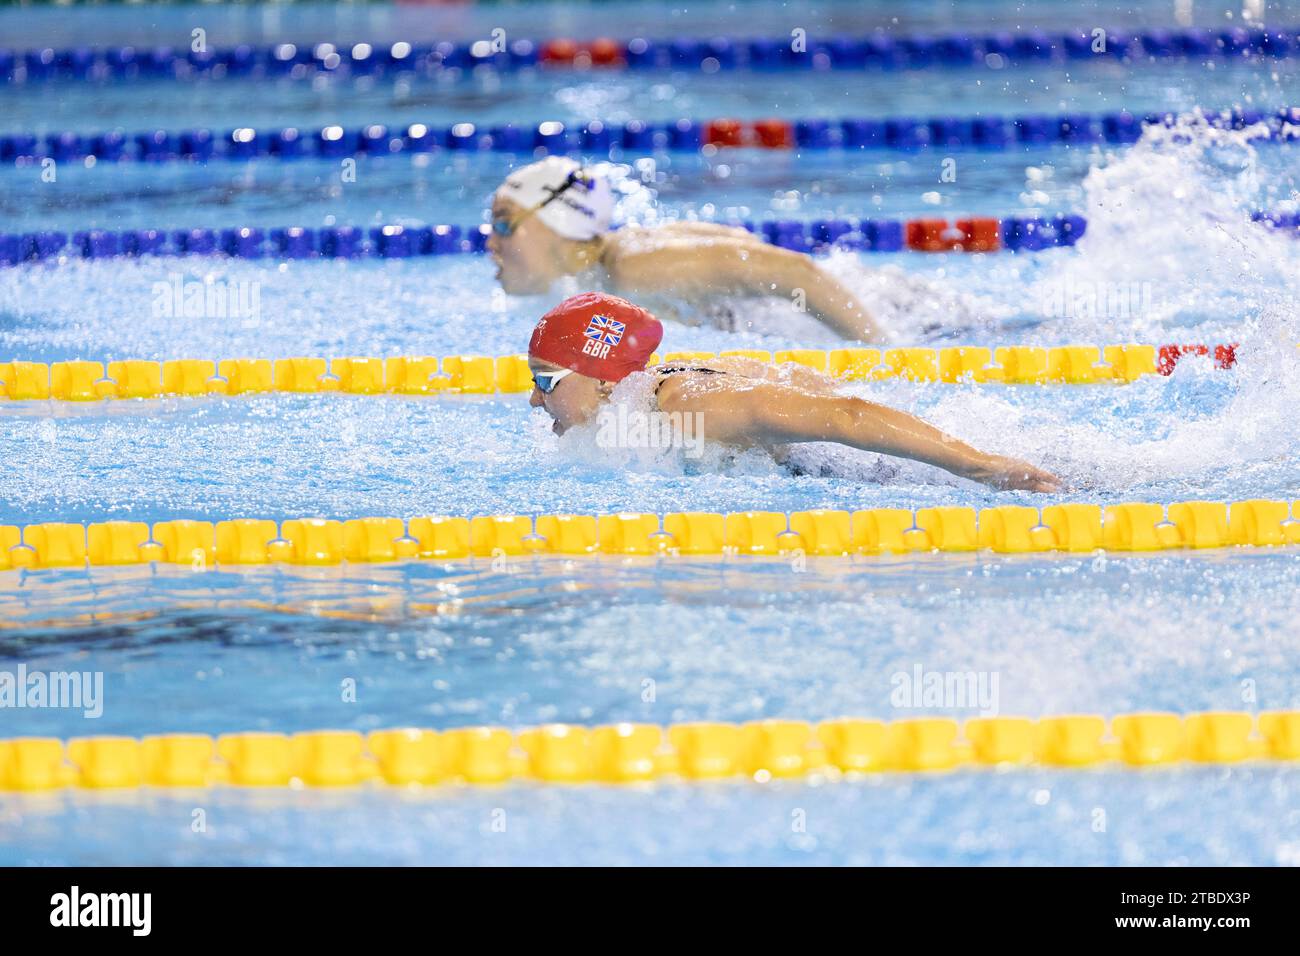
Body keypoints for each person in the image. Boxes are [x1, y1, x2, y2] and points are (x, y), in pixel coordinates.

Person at [527, 291, 1061, 493]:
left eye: (544, 380)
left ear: (601, 379)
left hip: (908, 467)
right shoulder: (643, 394)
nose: (533, 399)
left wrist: (982, 466)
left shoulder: (687, 406)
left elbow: (847, 415)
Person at [488, 156, 887, 342]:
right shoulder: (604, 271)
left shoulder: (634, 268)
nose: (491, 242)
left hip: (899, 308)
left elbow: (798, 273)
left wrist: (882, 355)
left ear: (560, 224)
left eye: (504, 224)